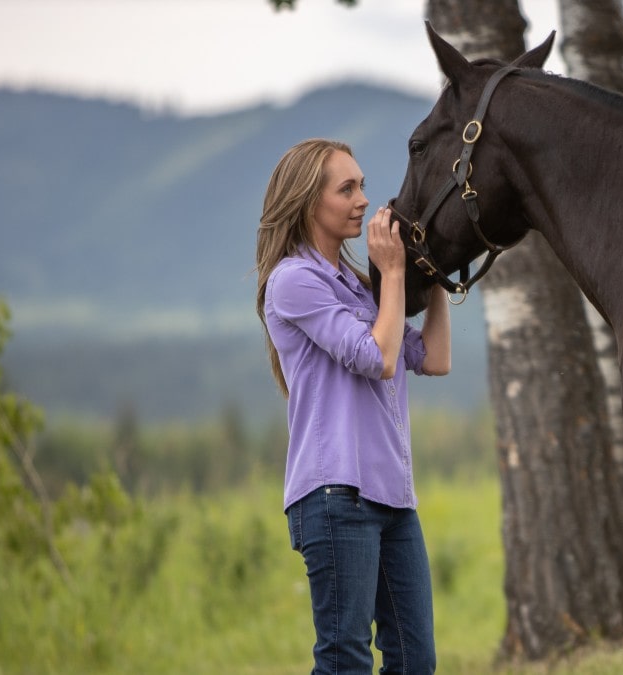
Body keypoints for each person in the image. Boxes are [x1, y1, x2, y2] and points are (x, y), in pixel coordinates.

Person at [255, 138, 451, 674]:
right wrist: (391, 274)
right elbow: (377, 358)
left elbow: (433, 358)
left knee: (415, 660)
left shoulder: (359, 288)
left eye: (362, 184)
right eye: (347, 189)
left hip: (392, 495)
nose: (364, 199)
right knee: (345, 659)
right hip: (335, 493)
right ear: (308, 202)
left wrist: (432, 273)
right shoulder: (293, 281)